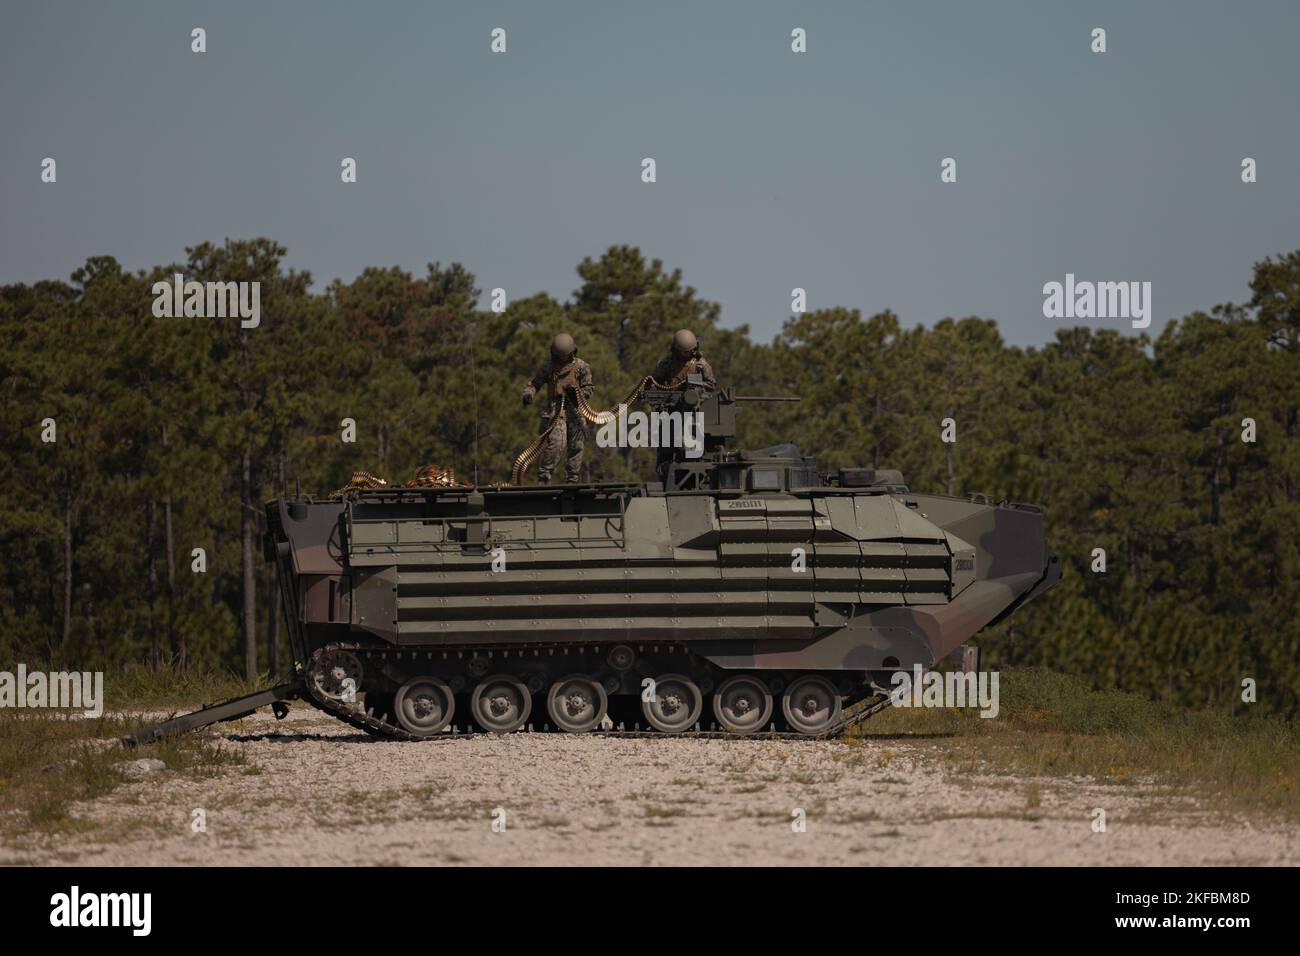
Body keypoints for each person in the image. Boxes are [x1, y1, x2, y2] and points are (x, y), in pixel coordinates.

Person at [522, 333, 594, 483]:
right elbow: (535, 383)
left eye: (566, 355)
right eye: (560, 356)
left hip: (576, 409)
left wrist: (577, 394)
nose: (563, 359)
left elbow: (589, 389)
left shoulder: (581, 366)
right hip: (556, 411)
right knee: (557, 443)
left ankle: (572, 479)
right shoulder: (548, 367)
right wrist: (528, 394)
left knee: (577, 445)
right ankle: (544, 477)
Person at [649, 329, 717, 389]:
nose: (687, 353)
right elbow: (654, 380)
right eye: (684, 351)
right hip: (668, 401)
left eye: (689, 350)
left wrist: (697, 384)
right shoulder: (667, 362)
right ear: (677, 349)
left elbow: (712, 385)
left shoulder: (701, 364)